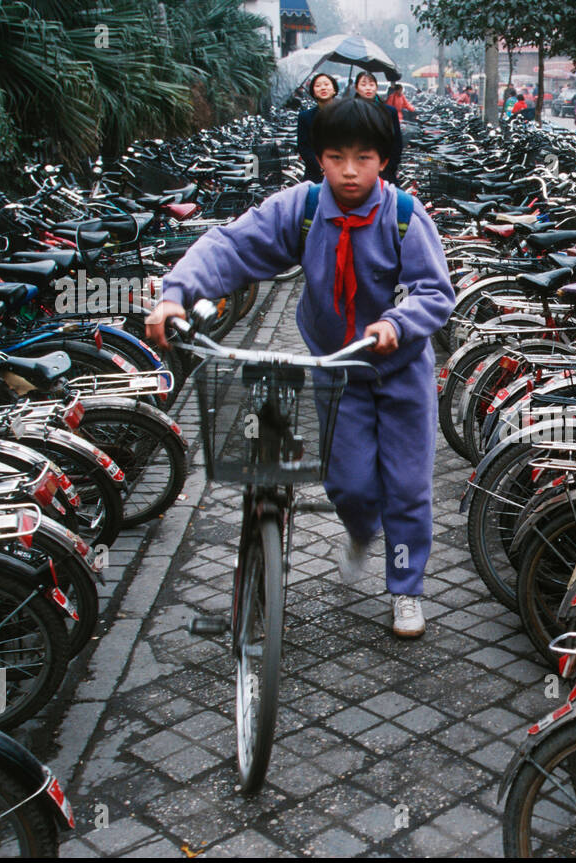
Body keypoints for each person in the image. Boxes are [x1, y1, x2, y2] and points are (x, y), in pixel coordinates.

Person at [145, 97, 455, 638]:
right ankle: (361, 529)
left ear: (384, 159)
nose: (350, 170)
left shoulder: (405, 216)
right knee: (349, 483)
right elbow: (231, 245)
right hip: (338, 371)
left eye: (364, 157)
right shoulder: (303, 209)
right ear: (318, 158)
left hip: (402, 372)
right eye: (336, 157)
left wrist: (397, 323)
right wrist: (177, 293)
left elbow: (434, 292)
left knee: (406, 487)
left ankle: (406, 587)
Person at [352, 70, 403, 186]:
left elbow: (397, 142)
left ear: (376, 87)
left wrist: (390, 165)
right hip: (357, 168)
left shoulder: (389, 112)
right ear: (356, 88)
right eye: (363, 85)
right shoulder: (349, 111)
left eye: (371, 84)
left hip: (384, 168)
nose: (368, 88)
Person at [297, 73, 339, 183]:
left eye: (326, 84)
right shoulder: (305, 117)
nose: (323, 88)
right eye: (318, 85)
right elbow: (304, 147)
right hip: (315, 174)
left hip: (342, 171)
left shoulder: (346, 113)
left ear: (334, 90)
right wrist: (322, 167)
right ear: (313, 92)